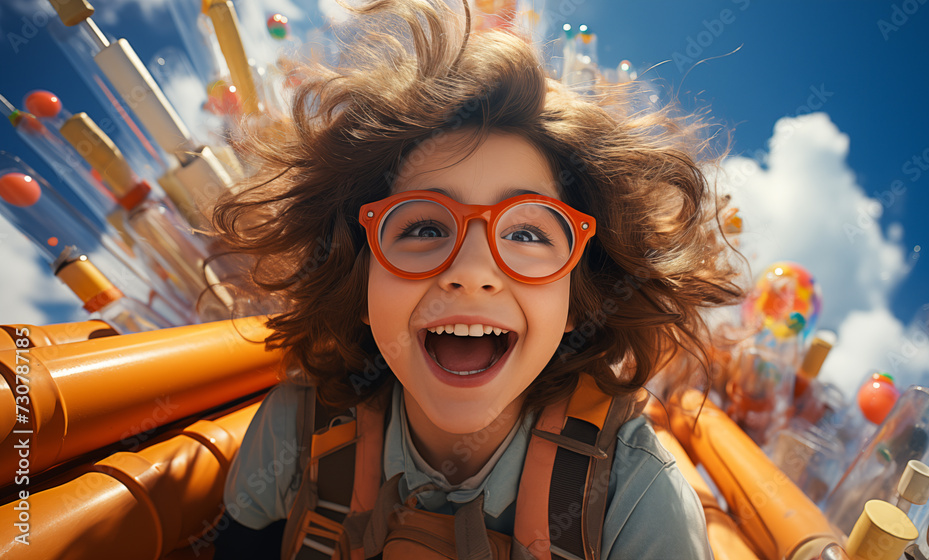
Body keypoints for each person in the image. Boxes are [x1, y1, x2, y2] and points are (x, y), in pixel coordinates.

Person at [212, 0, 742, 558]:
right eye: (420, 226)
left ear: (576, 304)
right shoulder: (299, 432)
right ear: (360, 285)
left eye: (530, 235)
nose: (470, 272)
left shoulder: (634, 501)